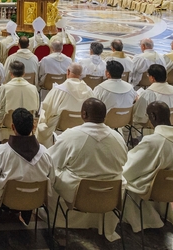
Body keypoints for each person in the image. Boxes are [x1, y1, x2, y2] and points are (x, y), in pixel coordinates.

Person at [49, 98, 127, 240]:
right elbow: (124, 162)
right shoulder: (118, 138)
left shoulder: (70, 136)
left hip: (79, 195)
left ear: (83, 114)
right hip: (111, 195)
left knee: (53, 172)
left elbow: (51, 161)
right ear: (105, 116)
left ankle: (59, 219)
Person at [122, 102, 173, 232]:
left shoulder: (153, 141)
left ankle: (141, 220)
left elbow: (129, 170)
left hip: (155, 191)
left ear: (152, 116)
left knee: (123, 181)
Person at [0, 108, 54, 226]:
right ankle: (26, 213)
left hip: (7, 200)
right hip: (35, 199)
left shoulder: (2, 152)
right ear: (33, 127)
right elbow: (51, 180)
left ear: (12, 127)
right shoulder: (45, 153)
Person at [37, 63, 94, 146]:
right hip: (82, 125)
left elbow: (47, 111)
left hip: (61, 127)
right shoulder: (89, 91)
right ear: (80, 75)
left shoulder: (58, 90)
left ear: (68, 72)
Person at [0, 61, 39, 140]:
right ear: (24, 73)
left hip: (8, 123)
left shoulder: (4, 88)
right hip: (27, 125)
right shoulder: (33, 88)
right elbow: (36, 107)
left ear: (10, 73)